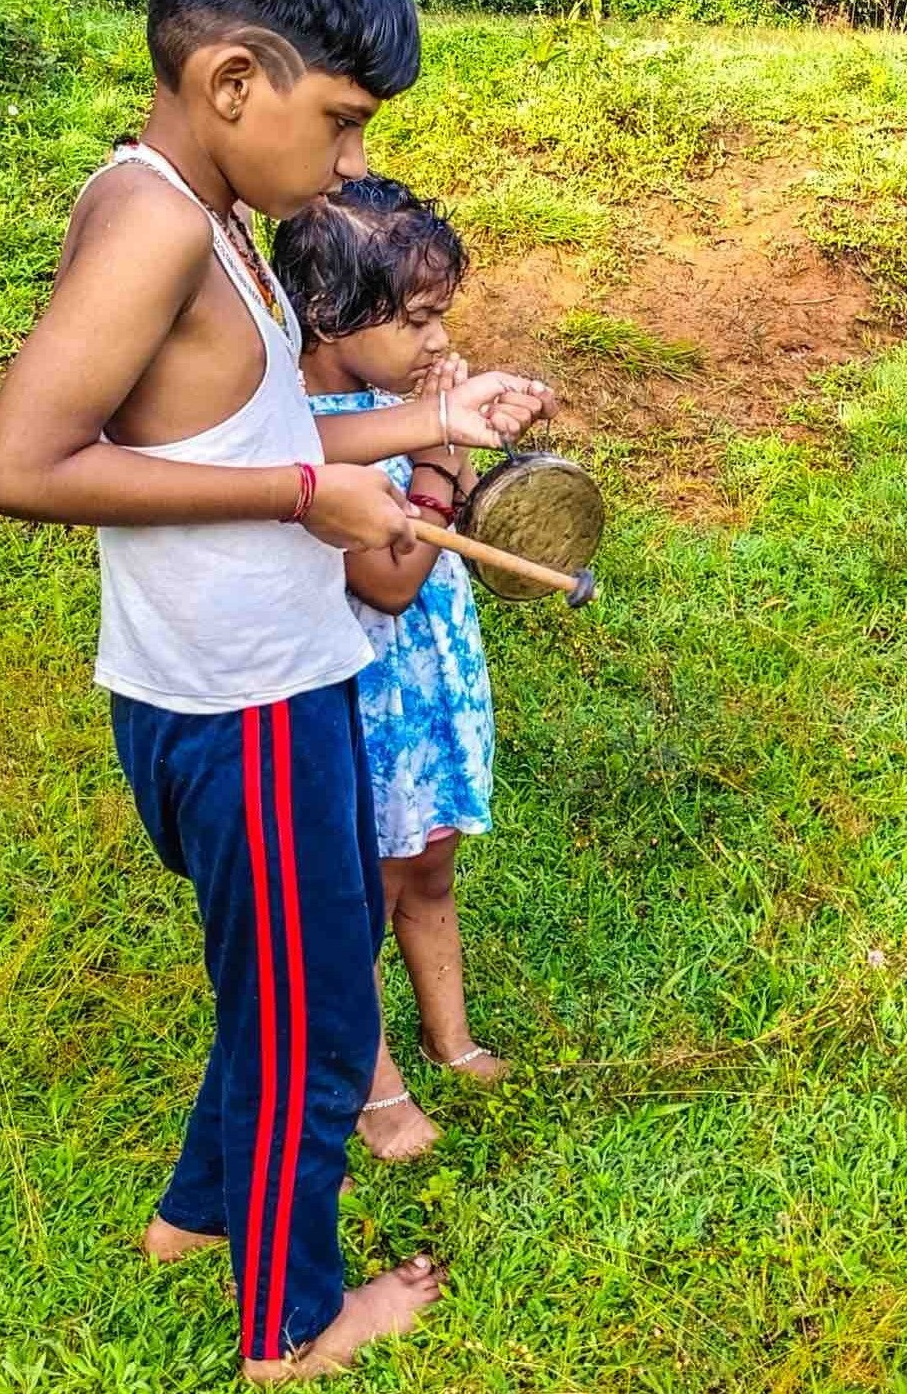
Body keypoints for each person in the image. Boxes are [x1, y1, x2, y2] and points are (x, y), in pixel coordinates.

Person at [0, 0, 554, 1378]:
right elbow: (25, 462)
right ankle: (292, 1324)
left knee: (274, 978)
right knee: (316, 1032)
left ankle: (196, 1212)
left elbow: (263, 422)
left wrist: (430, 418)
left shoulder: (217, 215)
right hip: (244, 714)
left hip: (240, 692)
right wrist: (310, 494)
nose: (354, 158)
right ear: (234, 80)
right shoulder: (155, 227)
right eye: (345, 120)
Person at [275, 177, 539, 1164]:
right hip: (366, 700)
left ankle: (452, 1038)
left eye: (442, 318)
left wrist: (460, 437)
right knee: (360, 903)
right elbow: (385, 581)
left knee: (430, 864)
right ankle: (371, 1088)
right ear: (331, 317)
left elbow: (455, 519)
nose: (438, 341)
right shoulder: (308, 437)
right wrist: (436, 451)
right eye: (418, 318)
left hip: (431, 679)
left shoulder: (394, 399)